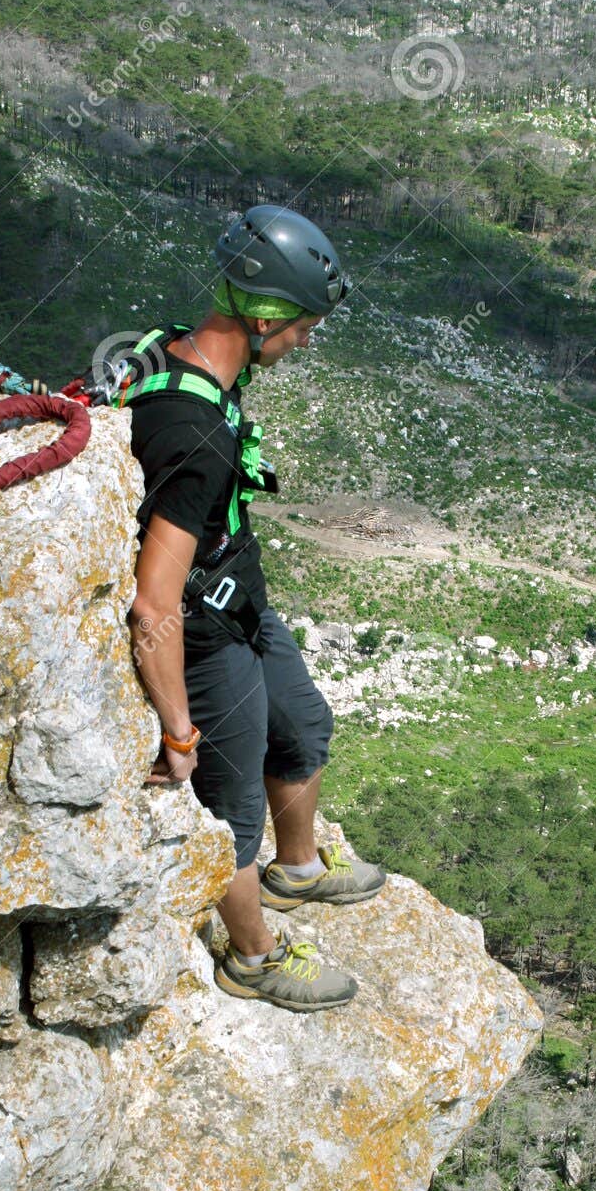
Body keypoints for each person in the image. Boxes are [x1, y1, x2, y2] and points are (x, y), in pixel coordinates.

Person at [123, 204, 386, 1012]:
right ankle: (254, 955)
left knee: (303, 723)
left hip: (241, 598)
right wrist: (176, 731)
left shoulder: (179, 353)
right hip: (203, 633)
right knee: (232, 808)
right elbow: (152, 603)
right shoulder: (193, 431)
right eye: (301, 327)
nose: (303, 342)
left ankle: (298, 869)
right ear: (265, 316)